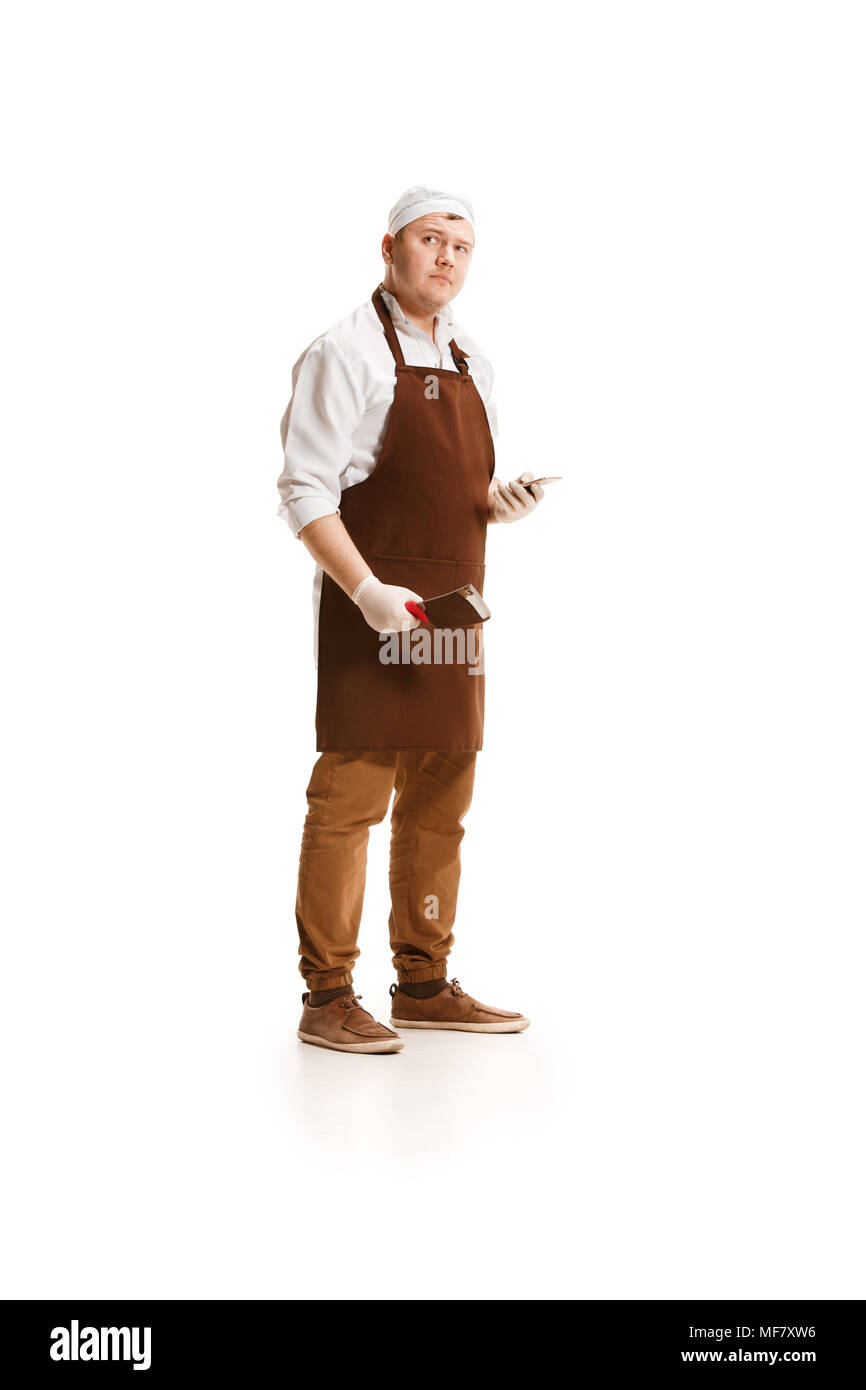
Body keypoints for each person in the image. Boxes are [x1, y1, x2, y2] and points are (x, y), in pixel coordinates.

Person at [277, 185, 546, 1054]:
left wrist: (497, 506)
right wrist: (364, 592)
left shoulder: (474, 359)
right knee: (349, 800)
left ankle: (424, 982)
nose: (447, 259)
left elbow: (451, 488)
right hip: (373, 608)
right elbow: (305, 491)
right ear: (389, 247)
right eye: (431, 240)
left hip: (454, 611)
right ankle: (328, 996)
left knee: (441, 801)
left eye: (462, 248)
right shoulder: (344, 351)